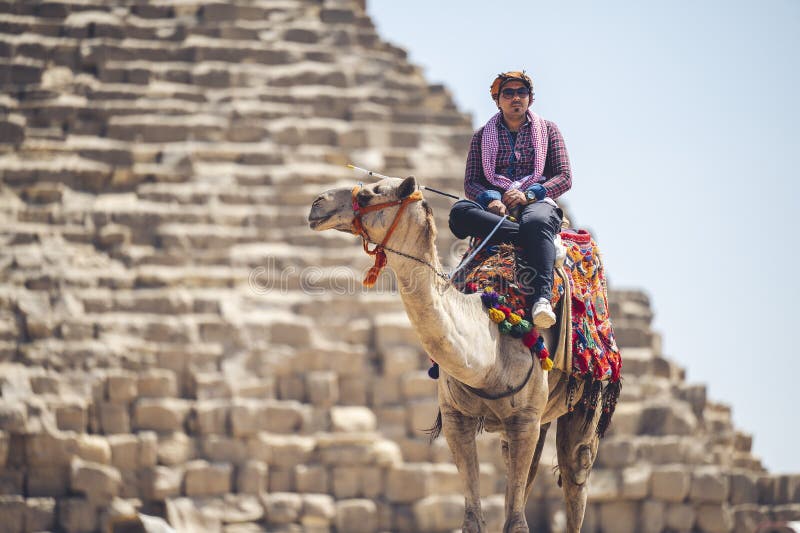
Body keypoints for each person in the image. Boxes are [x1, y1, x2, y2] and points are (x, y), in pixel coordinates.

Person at [449, 71, 571, 328]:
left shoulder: (549, 131)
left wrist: (528, 195)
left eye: (521, 92)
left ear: (531, 99)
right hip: (497, 209)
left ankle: (542, 298)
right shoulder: (482, 136)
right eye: (508, 93)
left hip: (536, 203)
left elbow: (564, 177)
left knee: (537, 221)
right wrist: (492, 199)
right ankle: (532, 238)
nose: (516, 97)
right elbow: (471, 182)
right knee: (459, 212)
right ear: (498, 100)